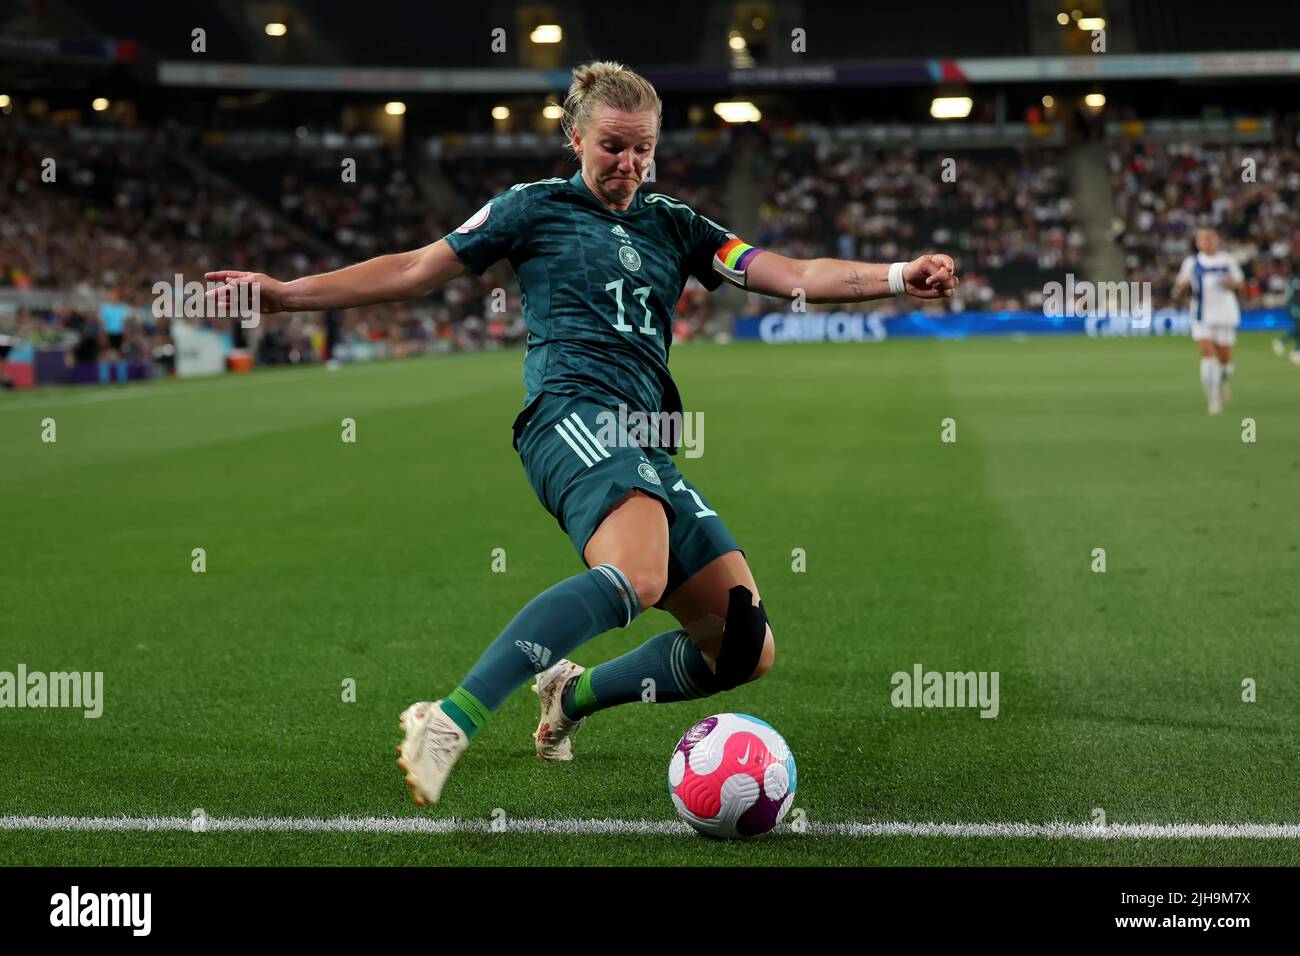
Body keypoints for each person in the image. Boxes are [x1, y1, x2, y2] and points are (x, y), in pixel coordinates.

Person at [206, 61, 959, 806]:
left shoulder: (679, 225)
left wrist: (899, 276)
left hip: (647, 439)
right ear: (575, 138)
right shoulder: (529, 208)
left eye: (641, 149)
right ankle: (450, 719)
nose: (628, 164)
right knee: (639, 574)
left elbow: (789, 273)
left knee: (741, 649)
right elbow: (413, 269)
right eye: (611, 147)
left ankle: (569, 695)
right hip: (568, 416)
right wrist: (285, 297)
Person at [1173, 228, 1245, 415]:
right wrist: (1182, 287)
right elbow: (1179, 285)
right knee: (1207, 355)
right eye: (1203, 239)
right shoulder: (1191, 263)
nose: (1207, 242)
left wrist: (1230, 284)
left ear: (1217, 241)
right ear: (1198, 243)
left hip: (1225, 315)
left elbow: (1241, 282)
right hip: (1201, 315)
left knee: (1226, 363)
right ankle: (1213, 400)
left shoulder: (1227, 260)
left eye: (1210, 239)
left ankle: (1222, 382)